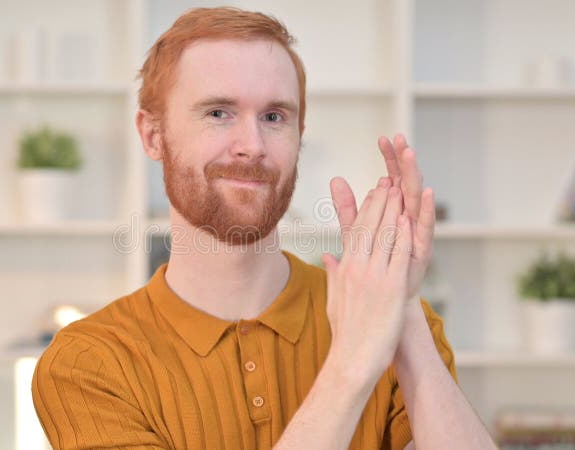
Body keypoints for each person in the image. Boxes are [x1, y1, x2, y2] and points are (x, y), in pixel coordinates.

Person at [32, 7, 496, 450]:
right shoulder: (86, 363)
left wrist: (402, 312)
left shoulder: (391, 317)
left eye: (274, 117)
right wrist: (351, 366)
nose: (251, 146)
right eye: (218, 113)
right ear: (153, 135)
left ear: (298, 136)